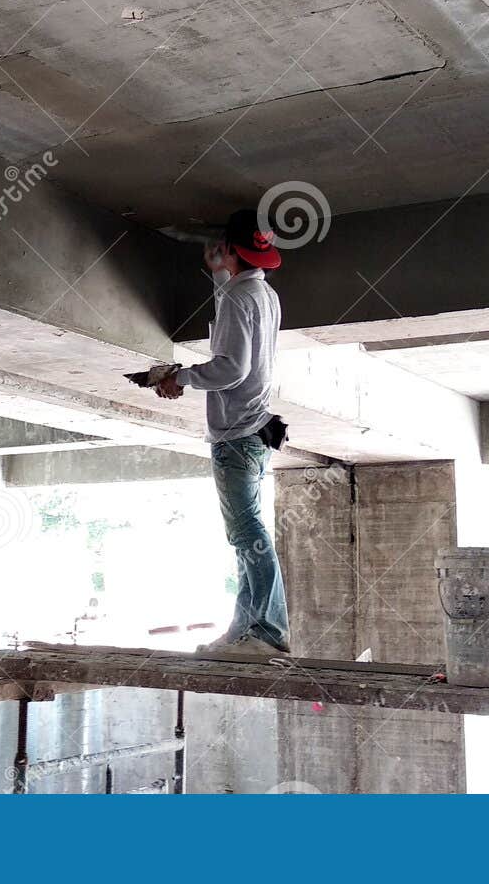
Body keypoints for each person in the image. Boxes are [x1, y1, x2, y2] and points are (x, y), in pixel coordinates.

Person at [154, 209, 290, 656]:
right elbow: (237, 336)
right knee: (246, 536)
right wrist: (219, 276)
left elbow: (232, 366)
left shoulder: (239, 298)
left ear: (230, 249)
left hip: (236, 434)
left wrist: (181, 378)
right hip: (254, 431)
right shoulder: (263, 294)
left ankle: (267, 631)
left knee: (247, 534)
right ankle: (246, 630)